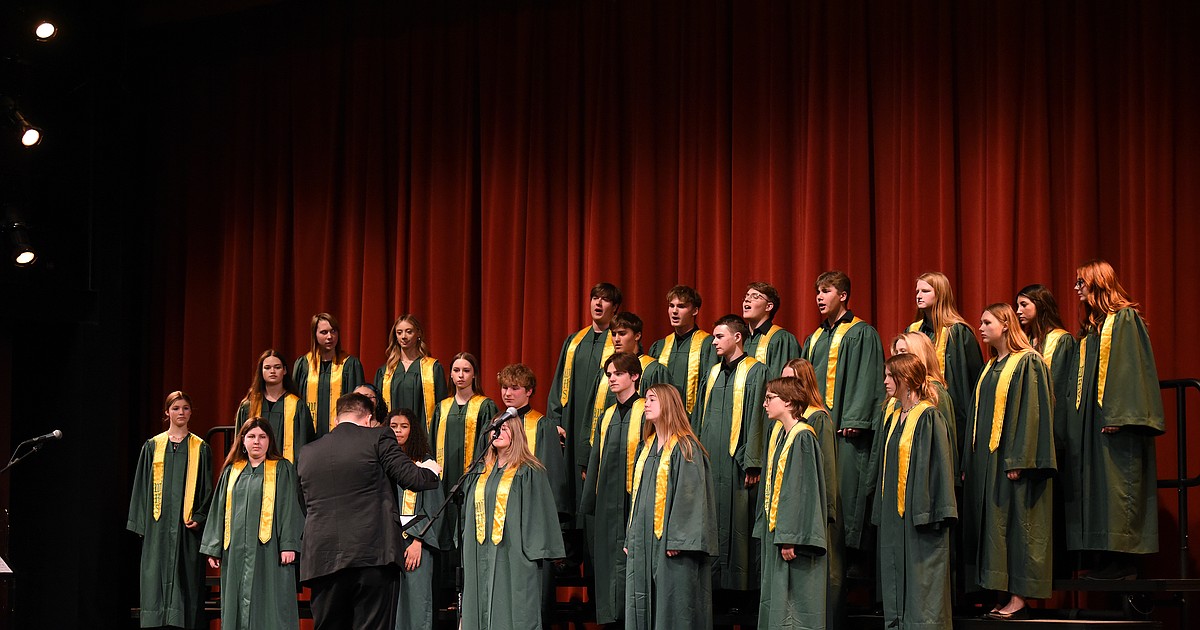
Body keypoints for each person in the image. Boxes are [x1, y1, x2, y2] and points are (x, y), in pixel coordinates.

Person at [296, 393, 443, 629]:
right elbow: (411, 478)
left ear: (336, 419)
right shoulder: (378, 436)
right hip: (371, 555)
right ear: (368, 419)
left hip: (322, 558)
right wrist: (430, 470)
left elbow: (303, 503)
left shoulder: (308, 451)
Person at [1067, 260, 1164, 580]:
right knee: (1098, 488)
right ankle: (1104, 560)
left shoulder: (1125, 319)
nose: (1077, 289)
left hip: (1116, 425)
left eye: (1082, 282)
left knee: (1118, 486)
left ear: (1098, 283)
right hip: (1093, 424)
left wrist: (1120, 415)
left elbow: (1131, 369)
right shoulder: (1091, 329)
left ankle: (1125, 564)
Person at [963, 304, 1056, 619]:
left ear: (1005, 324)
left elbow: (1033, 413)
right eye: (980, 321)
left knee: (1017, 526)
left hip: (1013, 464)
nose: (981, 327)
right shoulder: (990, 366)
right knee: (995, 529)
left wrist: (1020, 458)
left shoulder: (1028, 362)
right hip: (987, 463)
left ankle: (1019, 597)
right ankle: (1002, 594)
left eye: (987, 321)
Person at [798, 270, 885, 556]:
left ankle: (849, 567)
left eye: (826, 291)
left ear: (843, 295)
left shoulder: (862, 333)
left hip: (846, 432)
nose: (819, 298)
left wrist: (855, 420)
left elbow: (866, 377)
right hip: (816, 427)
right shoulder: (815, 337)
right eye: (818, 292)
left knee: (845, 495)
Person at [874, 354, 957, 630]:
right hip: (896, 516)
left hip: (922, 514)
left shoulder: (929, 416)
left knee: (923, 584)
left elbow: (939, 469)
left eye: (890, 376)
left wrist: (932, 511)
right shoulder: (895, 416)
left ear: (906, 379)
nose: (885, 381)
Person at [625, 384, 718, 629]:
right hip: (644, 541)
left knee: (674, 605)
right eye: (646, 399)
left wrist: (678, 539)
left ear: (668, 404)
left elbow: (691, 498)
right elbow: (637, 498)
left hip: (672, 546)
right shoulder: (646, 448)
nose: (646, 403)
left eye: (653, 399)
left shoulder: (686, 448)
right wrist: (631, 537)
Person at [462, 414, 566, 630]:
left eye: (505, 428)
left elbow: (540, 515)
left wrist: (532, 553)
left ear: (517, 433)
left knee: (514, 608)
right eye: (494, 428)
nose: (497, 432)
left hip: (514, 552)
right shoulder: (479, 471)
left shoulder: (530, 471)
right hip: (480, 551)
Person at [200, 418, 303, 630]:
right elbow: (218, 509)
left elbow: (289, 506)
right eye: (252, 436)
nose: (257, 441)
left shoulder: (281, 469)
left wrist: (288, 544)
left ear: (270, 441)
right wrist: (213, 547)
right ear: (243, 441)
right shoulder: (231, 471)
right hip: (235, 550)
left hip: (271, 550)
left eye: (262, 437)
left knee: (272, 604)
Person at [693, 314, 767, 595]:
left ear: (737, 337)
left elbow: (759, 421)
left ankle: (740, 592)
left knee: (738, 526)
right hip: (712, 461)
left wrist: (753, 462)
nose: (714, 342)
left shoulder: (757, 372)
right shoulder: (712, 373)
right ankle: (714, 590)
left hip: (738, 465)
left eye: (719, 336)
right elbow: (700, 418)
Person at [127, 391, 214, 629]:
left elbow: (207, 490)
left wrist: (199, 518)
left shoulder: (200, 448)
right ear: (167, 412)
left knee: (186, 584)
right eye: (176, 408)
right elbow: (141, 487)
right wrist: (142, 524)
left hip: (186, 529)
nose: (181, 413)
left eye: (186, 408)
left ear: (191, 412)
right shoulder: (153, 446)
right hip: (158, 526)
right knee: (154, 578)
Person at [757, 377, 829, 630]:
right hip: (779, 533)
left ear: (788, 401)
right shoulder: (783, 436)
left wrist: (790, 537)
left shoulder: (802, 437)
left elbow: (801, 490)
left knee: (794, 605)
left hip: (792, 538)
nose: (764, 404)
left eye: (770, 398)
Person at [580, 352, 644, 626]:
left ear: (634, 376)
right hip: (607, 501)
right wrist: (590, 503)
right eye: (609, 375)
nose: (612, 379)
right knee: (607, 564)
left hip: (634, 500)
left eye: (618, 373)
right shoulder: (606, 416)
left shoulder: (647, 410)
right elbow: (596, 460)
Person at [780, 359, 843, 626]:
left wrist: (822, 516)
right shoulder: (785, 421)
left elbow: (826, 474)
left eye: (791, 381)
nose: (785, 387)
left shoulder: (817, 419)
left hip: (814, 515)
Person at [908, 272, 984, 455]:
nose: (919, 295)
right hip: (916, 409)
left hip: (952, 412)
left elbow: (974, 381)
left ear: (940, 294)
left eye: (925, 291)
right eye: (917, 291)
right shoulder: (912, 331)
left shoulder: (958, 333)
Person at [388, 408, 447, 630]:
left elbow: (435, 507)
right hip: (388, 540)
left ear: (413, 430)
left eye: (404, 426)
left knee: (416, 600)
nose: (398, 431)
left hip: (415, 541)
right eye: (393, 427)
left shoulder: (426, 465)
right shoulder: (381, 462)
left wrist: (418, 541)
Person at [429, 352, 499, 534]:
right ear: (450, 375)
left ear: (474, 374)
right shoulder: (441, 408)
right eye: (456, 370)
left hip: (474, 476)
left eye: (466, 370)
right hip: (445, 479)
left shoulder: (485, 406)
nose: (461, 375)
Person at [1015, 284, 1078, 448]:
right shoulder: (1024, 342)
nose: (1018, 311)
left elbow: (1061, 387)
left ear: (1041, 304)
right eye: (1017, 305)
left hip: (1052, 427)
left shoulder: (1062, 340)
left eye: (1024, 305)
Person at [890, 333, 957, 473]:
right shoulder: (896, 392)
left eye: (903, 351)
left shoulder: (934, 392)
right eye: (896, 352)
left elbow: (944, 444)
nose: (897, 356)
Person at [647, 285, 718, 415]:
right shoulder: (660, 346)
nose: (674, 311)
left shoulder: (708, 345)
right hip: (662, 420)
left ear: (695, 311)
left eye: (681, 306)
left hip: (693, 421)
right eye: (671, 306)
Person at [235, 349, 314, 465]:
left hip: (288, 473)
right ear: (261, 371)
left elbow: (307, 443)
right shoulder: (249, 406)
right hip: (254, 474)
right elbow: (239, 443)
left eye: (277, 367)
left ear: (285, 371)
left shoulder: (297, 406)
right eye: (267, 368)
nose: (272, 371)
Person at [294, 313, 366, 438]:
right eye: (324, 332)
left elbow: (358, 404)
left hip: (343, 436)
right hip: (309, 437)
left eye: (333, 331)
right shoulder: (304, 364)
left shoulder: (350, 364)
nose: (330, 337)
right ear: (314, 335)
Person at [374, 314, 446, 432]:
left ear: (418, 333)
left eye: (409, 332)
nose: (404, 336)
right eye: (399, 332)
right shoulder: (386, 372)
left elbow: (441, 408)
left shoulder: (432, 369)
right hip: (392, 438)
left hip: (423, 436)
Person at [742, 281, 801, 379]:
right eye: (747, 296)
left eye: (755, 297)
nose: (747, 300)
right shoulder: (739, 338)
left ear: (768, 306)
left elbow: (785, 384)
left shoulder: (781, 339)